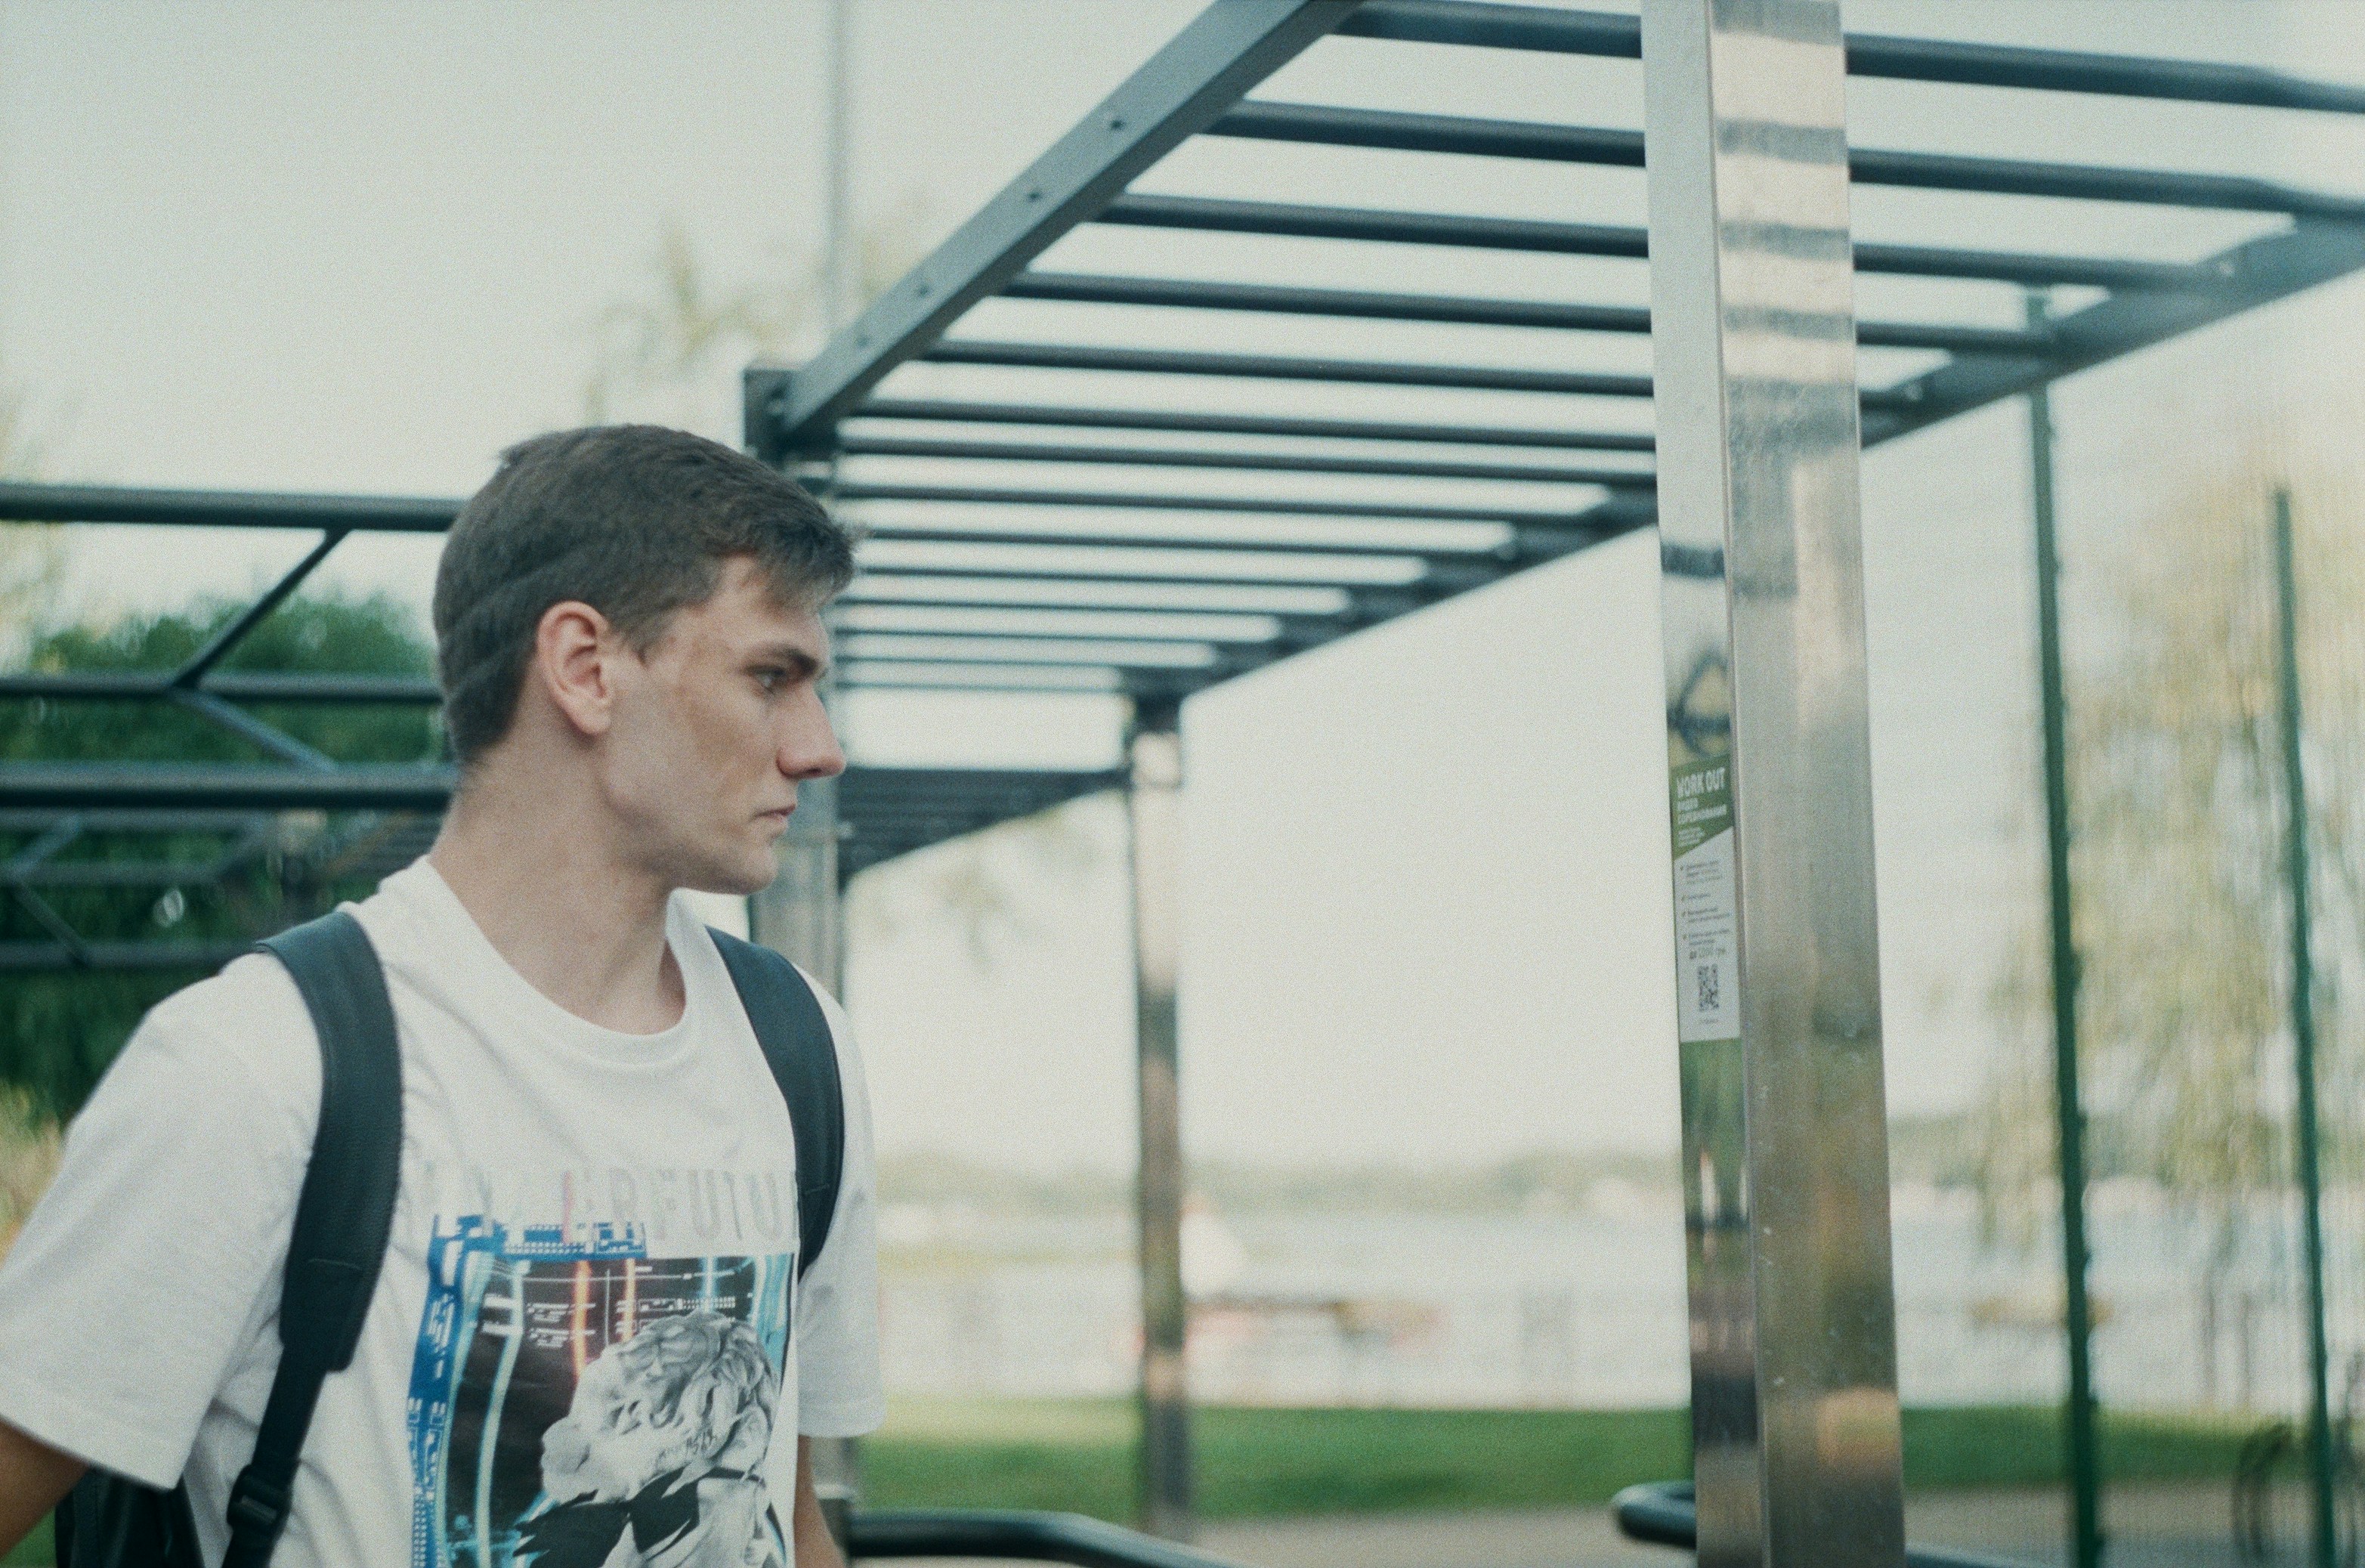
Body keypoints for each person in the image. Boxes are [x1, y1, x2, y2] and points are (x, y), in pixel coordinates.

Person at [0, 424, 883, 1568]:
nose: (820, 748)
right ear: (583, 666)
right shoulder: (257, 1065)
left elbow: (791, 1526)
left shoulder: (798, 1047)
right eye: (771, 676)